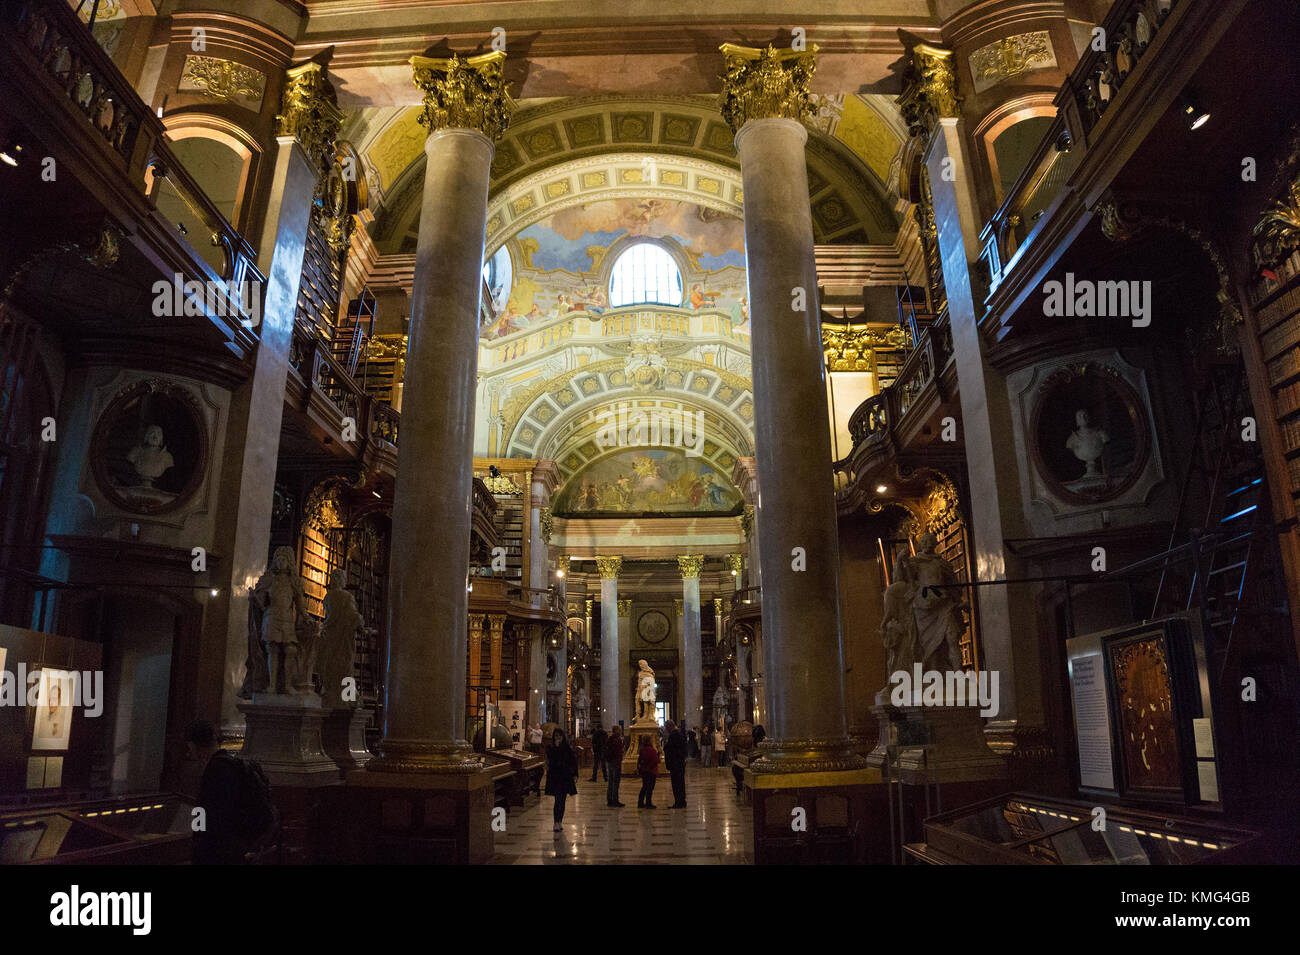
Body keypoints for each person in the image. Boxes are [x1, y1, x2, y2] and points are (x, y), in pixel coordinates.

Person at [184, 719, 277, 864]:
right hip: (237, 847)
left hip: (219, 852)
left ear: (192, 745)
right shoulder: (234, 765)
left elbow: (208, 812)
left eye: (189, 749)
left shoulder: (216, 770)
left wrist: (198, 840)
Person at [544, 728, 579, 833]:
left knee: (562, 801)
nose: (558, 738)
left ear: (563, 737)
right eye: (556, 736)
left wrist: (575, 774)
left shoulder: (567, 748)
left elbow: (573, 761)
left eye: (559, 736)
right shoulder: (551, 748)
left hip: (565, 777)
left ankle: (560, 821)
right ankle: (556, 822)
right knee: (557, 800)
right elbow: (552, 760)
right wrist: (557, 748)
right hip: (555, 777)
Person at [664, 720, 687, 809]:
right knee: (680, 783)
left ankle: (678, 802)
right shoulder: (679, 734)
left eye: (666, 727)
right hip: (679, 763)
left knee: (677, 784)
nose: (666, 730)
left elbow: (671, 749)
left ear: (670, 727)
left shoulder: (674, 735)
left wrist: (666, 748)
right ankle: (682, 801)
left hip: (675, 763)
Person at [636, 734, 659, 809]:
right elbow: (655, 760)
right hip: (651, 771)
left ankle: (640, 802)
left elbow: (640, 760)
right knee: (650, 788)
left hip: (644, 771)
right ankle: (648, 803)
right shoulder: (652, 750)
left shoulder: (642, 749)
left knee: (644, 787)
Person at [604, 725, 626, 807]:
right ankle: (615, 800)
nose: (621, 732)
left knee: (611, 782)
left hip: (610, 762)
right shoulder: (617, 740)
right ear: (616, 731)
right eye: (619, 730)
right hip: (615, 762)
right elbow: (617, 751)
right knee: (615, 782)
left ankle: (610, 800)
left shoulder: (610, 739)